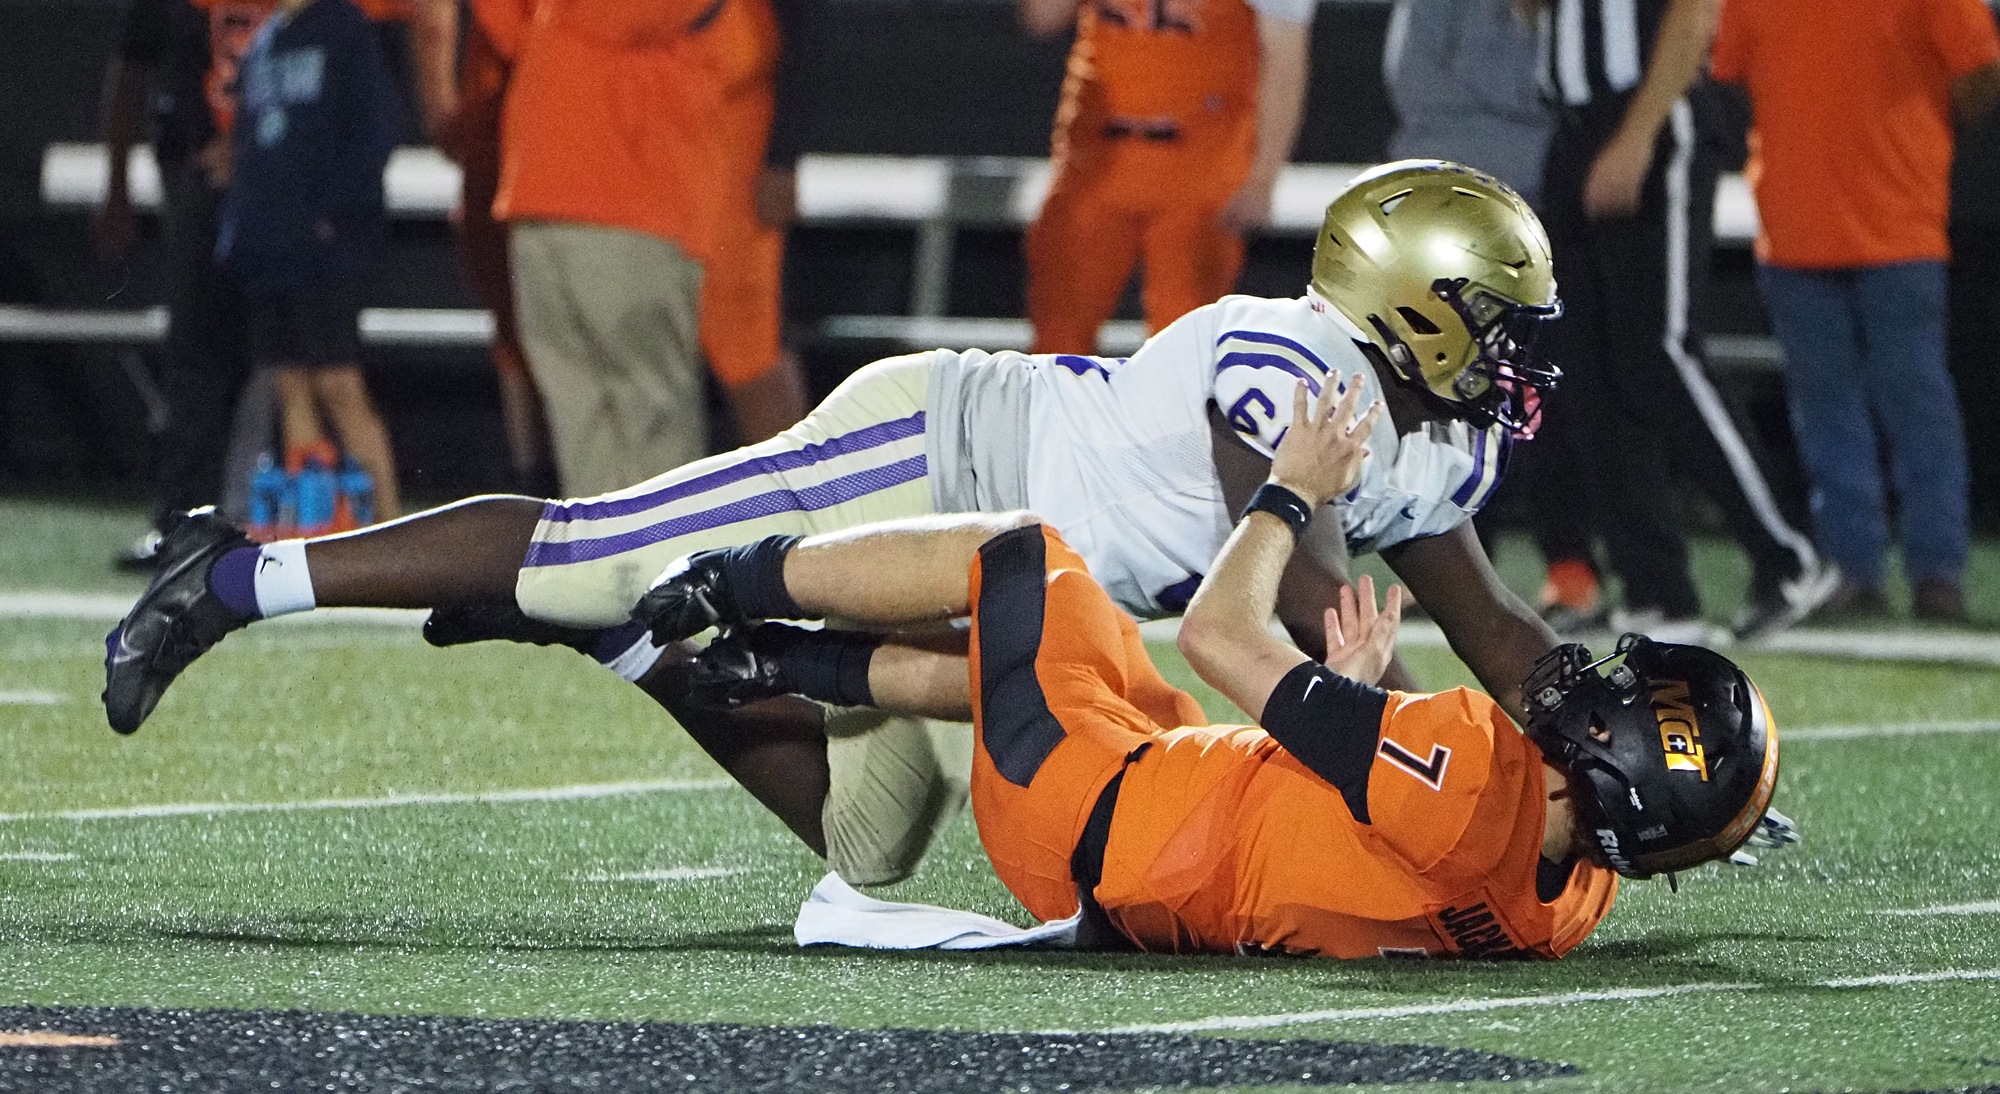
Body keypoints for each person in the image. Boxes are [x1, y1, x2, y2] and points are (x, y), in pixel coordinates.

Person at [105, 160, 1567, 888]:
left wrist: (1603, 750)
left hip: (1004, 574)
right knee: (591, 541)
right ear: (1415, 307)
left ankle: (625, 641)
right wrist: (1450, 780)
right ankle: (232, 570)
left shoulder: (1432, 434)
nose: (1519, 359)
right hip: (930, 454)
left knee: (866, 844)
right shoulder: (1290, 359)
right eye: (1501, 323)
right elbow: (1292, 612)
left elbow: (1496, 627)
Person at [638, 376, 1781, 957]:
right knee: (1088, 659)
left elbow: (1221, 633)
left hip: (1081, 810)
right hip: (1154, 830)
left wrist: (1290, 489)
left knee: (1024, 556)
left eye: (1621, 703)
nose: (1595, 689)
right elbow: (1407, 824)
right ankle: (783, 661)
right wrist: (1367, 697)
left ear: (1629, 759)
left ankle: (729, 574)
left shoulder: (1481, 771)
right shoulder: (1565, 904)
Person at [1525, 0, 1835, 642]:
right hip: (1577, 126)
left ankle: (1789, 558)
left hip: (1653, 115)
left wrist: (1639, 134)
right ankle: (1657, 588)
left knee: (1660, 352)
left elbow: (1694, 16)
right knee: (1589, 367)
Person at [1710, 0, 2000, 624]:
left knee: (1881, 406)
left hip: (1868, 223)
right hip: (1828, 222)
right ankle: (1892, 572)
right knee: (1864, 408)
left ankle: (1912, 570)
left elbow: (1980, 69)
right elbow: (1979, 72)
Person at [492, 0, 731, 497]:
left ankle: (634, 570)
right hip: (592, 204)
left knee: (614, 429)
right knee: (619, 424)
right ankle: (632, 571)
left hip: (584, 204)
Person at [1020, 0, 1312, 353]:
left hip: (1201, 167)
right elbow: (1042, 17)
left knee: (1184, 346)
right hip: (1097, 158)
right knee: (1057, 338)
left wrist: (1262, 178)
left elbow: (1283, 57)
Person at [216, 0, 405, 525]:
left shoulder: (344, 30)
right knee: (291, 384)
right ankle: (312, 525)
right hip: (271, 248)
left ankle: (391, 526)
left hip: (323, 250)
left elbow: (375, 130)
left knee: (338, 385)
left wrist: (336, 214)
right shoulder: (267, 38)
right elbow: (254, 142)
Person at [96, 0, 263, 568]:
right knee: (197, 354)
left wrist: (255, 151)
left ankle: (277, 521)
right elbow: (130, 74)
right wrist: (116, 184)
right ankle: (185, 523)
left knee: (294, 363)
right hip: (198, 187)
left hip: (281, 193)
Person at [409, 0, 558, 496]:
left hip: (527, 160)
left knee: (538, 340)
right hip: (512, 162)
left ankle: (535, 484)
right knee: (529, 338)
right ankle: (536, 482)